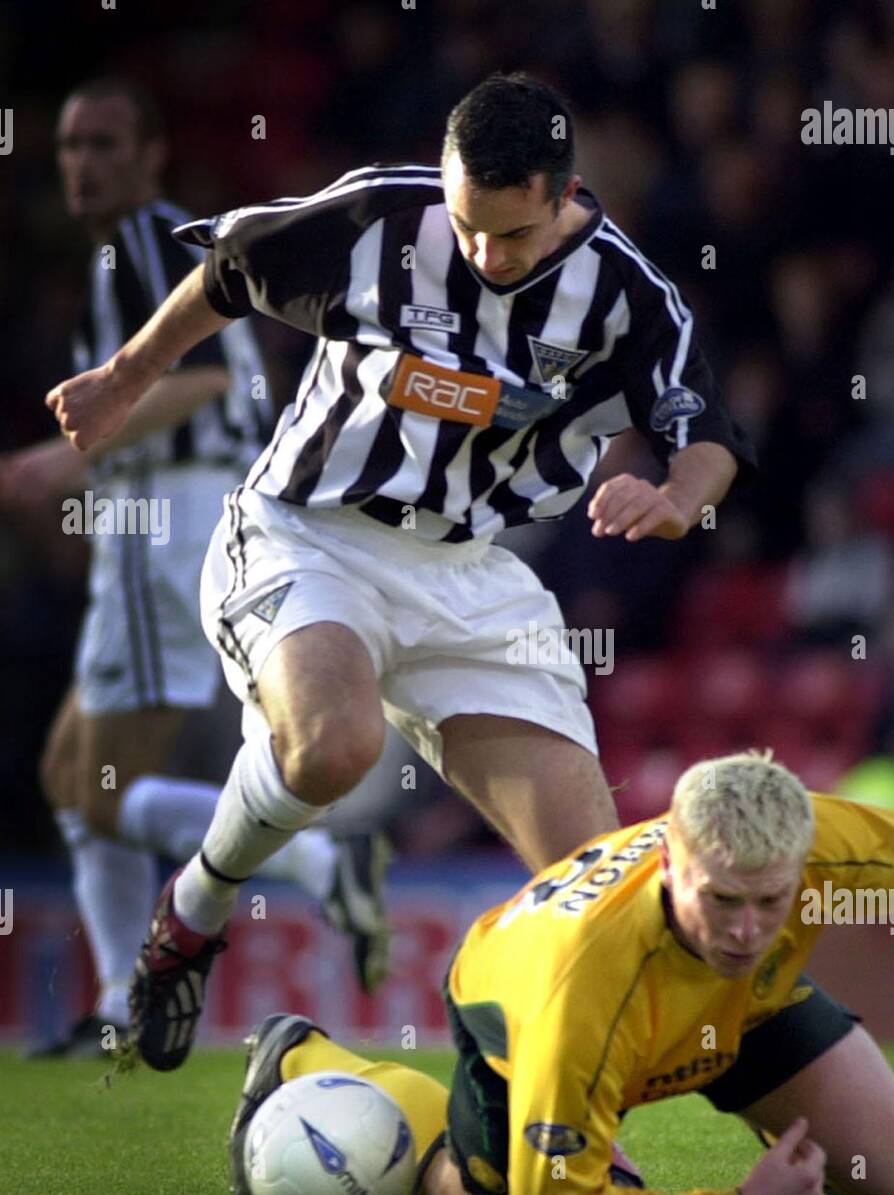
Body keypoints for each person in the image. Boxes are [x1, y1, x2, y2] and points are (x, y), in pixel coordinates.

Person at [45, 72, 750, 1072]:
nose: (479, 251)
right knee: (334, 745)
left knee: (590, 886)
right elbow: (232, 272)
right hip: (309, 531)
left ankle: (561, 1137)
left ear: (564, 193)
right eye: (466, 223)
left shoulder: (627, 292)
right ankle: (191, 915)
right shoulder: (381, 215)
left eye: (509, 235)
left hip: (471, 574)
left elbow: (706, 430)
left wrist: (681, 496)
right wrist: (122, 380)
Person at [227, 751, 894, 1195]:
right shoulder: (583, 982)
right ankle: (317, 1056)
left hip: (737, 1012)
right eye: (721, 900)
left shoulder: (828, 843)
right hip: (525, 1024)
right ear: (671, 862)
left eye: (772, 901)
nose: (748, 928)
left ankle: (785, 1100)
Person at [0, 79, 375, 1059]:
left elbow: (203, 377)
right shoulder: (169, 243)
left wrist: (64, 456)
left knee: (101, 780)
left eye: (106, 143)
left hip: (171, 507)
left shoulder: (139, 244)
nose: (83, 164)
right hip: (186, 503)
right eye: (72, 145)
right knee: (68, 778)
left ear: (151, 155)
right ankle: (123, 1006)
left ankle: (312, 856)